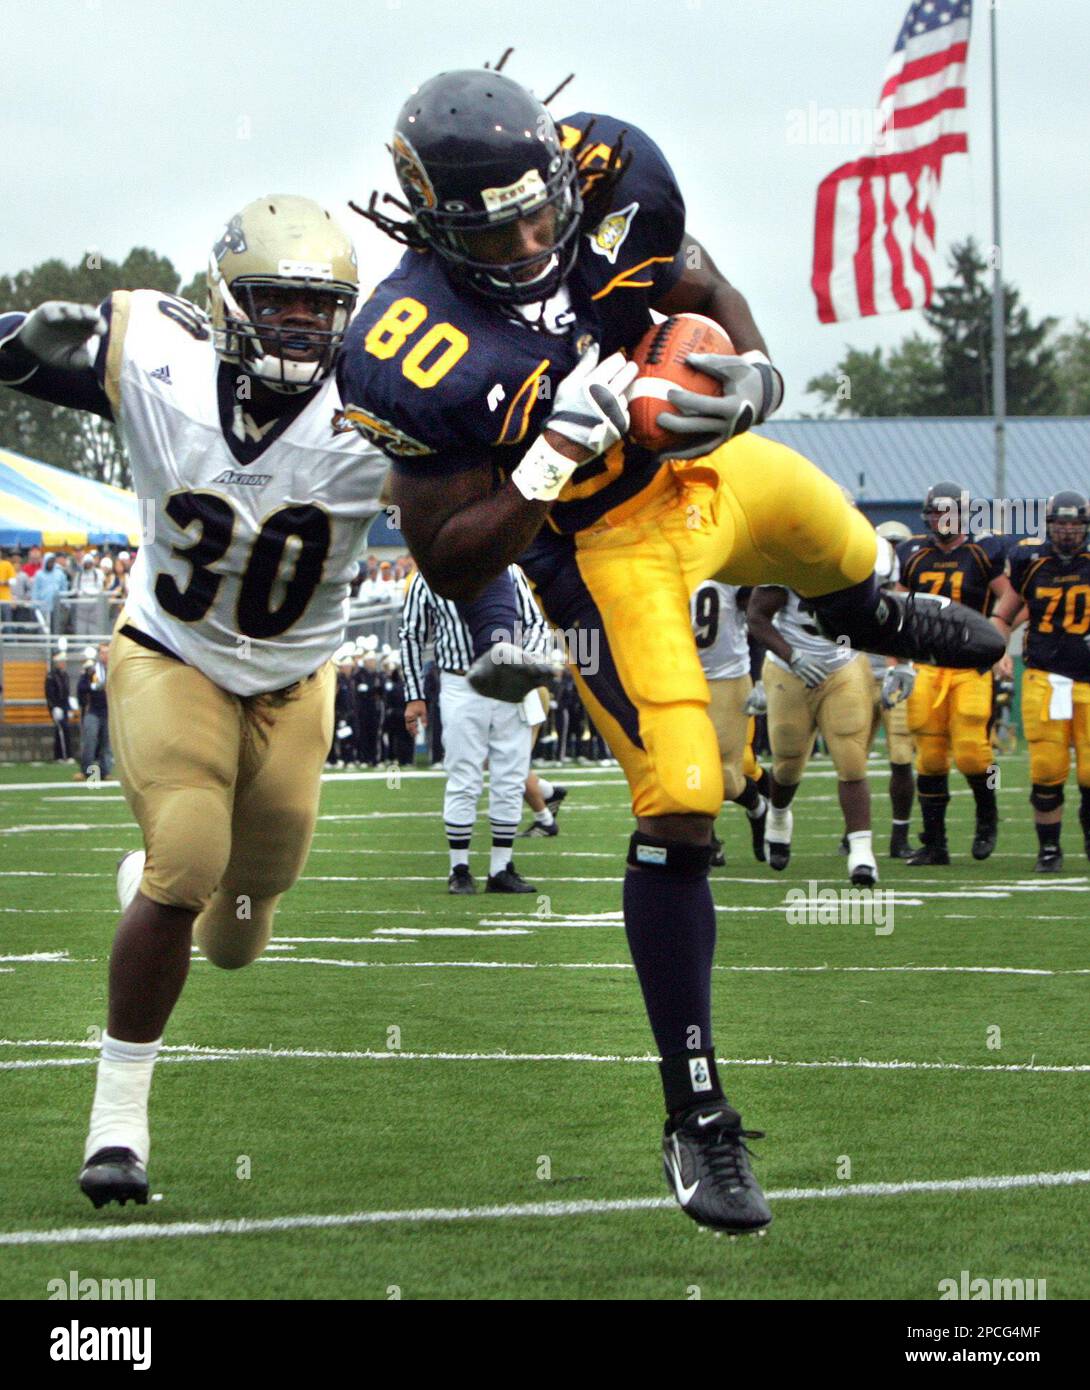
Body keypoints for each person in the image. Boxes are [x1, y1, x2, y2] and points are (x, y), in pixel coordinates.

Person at [337, 67, 1003, 1233]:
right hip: (597, 545)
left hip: (702, 469)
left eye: (546, 207)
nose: (540, 237)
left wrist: (755, 374)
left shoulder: (611, 172)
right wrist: (546, 461)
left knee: (839, 537)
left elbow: (696, 281)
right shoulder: (414, 340)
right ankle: (695, 1111)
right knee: (686, 802)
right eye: (503, 228)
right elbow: (448, 557)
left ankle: (863, 612)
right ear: (436, 223)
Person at [0, 193, 383, 1208]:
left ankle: (158, 886)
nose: (302, 324)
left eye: (319, 306)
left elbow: (485, 496)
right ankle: (116, 1130)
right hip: (171, 654)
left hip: (296, 681)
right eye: (277, 301)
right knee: (190, 858)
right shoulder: (158, 358)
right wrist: (19, 349)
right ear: (225, 300)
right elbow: (34, 348)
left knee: (240, 933)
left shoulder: (381, 394)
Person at [400, 564, 545, 889]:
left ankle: (500, 868)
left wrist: (524, 662)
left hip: (508, 680)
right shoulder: (429, 575)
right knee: (464, 775)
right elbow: (410, 634)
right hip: (461, 681)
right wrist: (414, 695)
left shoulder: (509, 570)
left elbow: (535, 623)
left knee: (510, 775)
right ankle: (459, 869)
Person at [897, 483, 1013, 865]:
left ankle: (988, 813)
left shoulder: (982, 551)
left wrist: (998, 632)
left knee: (974, 754)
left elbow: (1012, 596)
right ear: (927, 515)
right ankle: (935, 843)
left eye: (950, 512)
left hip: (970, 665)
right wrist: (896, 664)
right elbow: (894, 607)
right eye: (936, 512)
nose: (942, 520)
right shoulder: (912, 553)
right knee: (929, 757)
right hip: (927, 665)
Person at [747, 585, 879, 885]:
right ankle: (779, 816)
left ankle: (861, 851)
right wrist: (792, 656)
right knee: (788, 762)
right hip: (788, 669)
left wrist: (904, 664)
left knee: (851, 758)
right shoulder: (786, 559)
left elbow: (885, 614)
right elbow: (757, 617)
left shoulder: (861, 558)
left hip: (842, 667)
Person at [991, 492, 1090, 871]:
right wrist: (998, 649)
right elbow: (1004, 614)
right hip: (1045, 678)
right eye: (1061, 524)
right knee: (1047, 768)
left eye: (1075, 524)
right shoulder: (1029, 560)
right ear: (1050, 525)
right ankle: (1049, 849)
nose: (1067, 531)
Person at [690, 580, 768, 866]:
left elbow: (756, 618)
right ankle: (707, 841)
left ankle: (759, 809)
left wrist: (759, 680)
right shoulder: (664, 559)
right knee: (686, 770)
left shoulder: (725, 560)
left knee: (724, 779)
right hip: (680, 679)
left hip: (726, 678)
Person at [866, 521, 917, 858]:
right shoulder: (854, 581)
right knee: (851, 759)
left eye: (899, 544)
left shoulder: (912, 590)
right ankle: (852, 833)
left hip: (897, 676)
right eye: (888, 544)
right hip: (856, 675)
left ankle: (900, 835)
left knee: (901, 757)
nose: (893, 551)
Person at [76, 644, 112, 778]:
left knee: (106, 743)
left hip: (108, 711)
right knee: (90, 741)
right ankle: (86, 770)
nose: (105, 656)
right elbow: (81, 688)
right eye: (103, 653)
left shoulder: (113, 670)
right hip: (94, 710)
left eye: (107, 653)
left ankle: (106, 771)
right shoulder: (92, 671)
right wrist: (94, 686)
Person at [45, 651, 75, 762]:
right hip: (56, 706)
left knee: (65, 730)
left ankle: (65, 755)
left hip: (64, 706)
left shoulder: (65, 675)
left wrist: (69, 707)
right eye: (62, 661)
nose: (64, 663)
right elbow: (49, 694)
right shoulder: (51, 676)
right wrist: (53, 707)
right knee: (61, 730)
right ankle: (61, 755)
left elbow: (66, 693)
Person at [31, 551, 69, 633]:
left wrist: (66, 603)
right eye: (49, 561)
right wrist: (35, 605)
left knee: (56, 629)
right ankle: (44, 645)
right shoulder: (39, 574)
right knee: (44, 629)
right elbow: (35, 590)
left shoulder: (60, 574)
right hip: (43, 607)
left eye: (52, 561)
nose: (51, 563)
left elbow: (64, 589)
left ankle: (54, 645)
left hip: (57, 607)